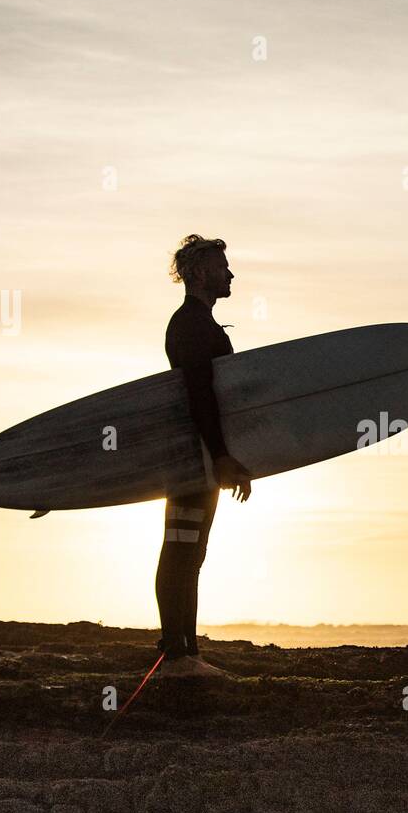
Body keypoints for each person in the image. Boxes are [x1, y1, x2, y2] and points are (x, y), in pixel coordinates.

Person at [155, 234, 253, 674]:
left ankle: (187, 652)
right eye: (221, 266)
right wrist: (220, 456)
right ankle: (176, 653)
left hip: (201, 458)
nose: (230, 273)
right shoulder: (191, 325)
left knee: (191, 552)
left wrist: (233, 456)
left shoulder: (202, 324)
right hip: (191, 460)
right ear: (198, 273)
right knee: (181, 550)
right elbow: (199, 396)